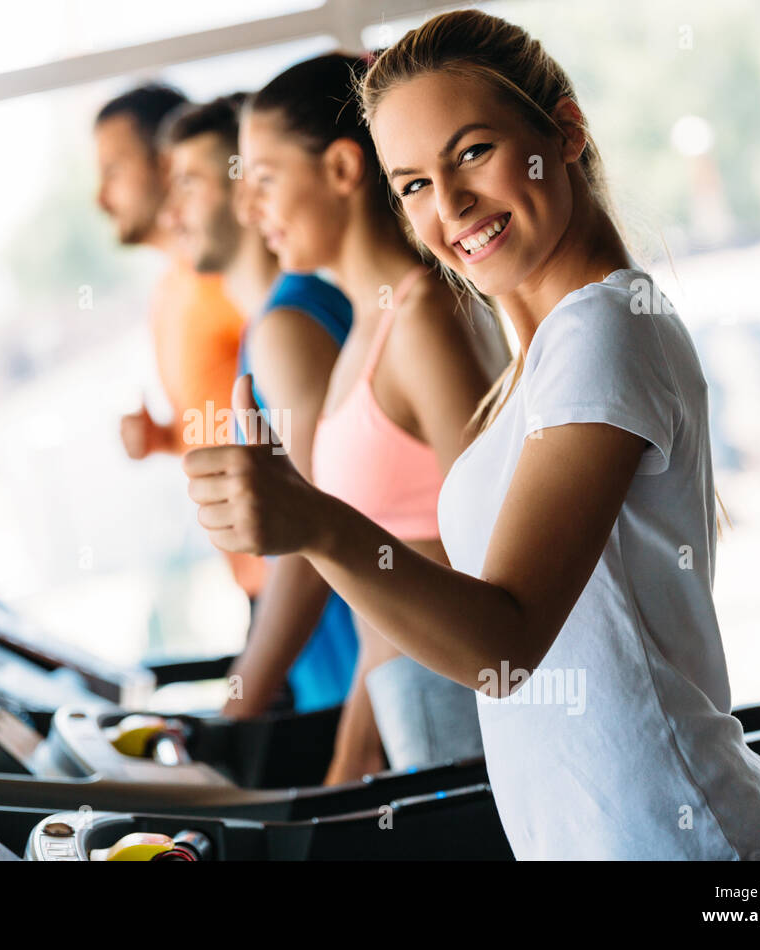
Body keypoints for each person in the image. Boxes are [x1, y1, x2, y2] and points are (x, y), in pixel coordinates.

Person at [181, 10, 760, 859]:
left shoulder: (604, 329)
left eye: (472, 153)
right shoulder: (544, 358)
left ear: (563, 130)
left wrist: (313, 523)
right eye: (411, 184)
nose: (448, 207)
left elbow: (506, 642)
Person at [230, 53, 512, 784]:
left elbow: (492, 553)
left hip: (464, 714)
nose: (249, 209)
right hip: (405, 708)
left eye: (264, 180)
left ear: (343, 170)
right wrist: (353, 751)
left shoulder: (423, 320)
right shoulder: (367, 324)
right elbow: (384, 588)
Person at [156, 93, 358, 713]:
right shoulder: (269, 325)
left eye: (191, 185)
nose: (174, 212)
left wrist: (237, 707)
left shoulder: (286, 327)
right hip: (342, 687)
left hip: (362, 694)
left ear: (246, 195)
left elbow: (312, 538)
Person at [93, 84, 265, 602]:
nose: (101, 198)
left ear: (163, 163)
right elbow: (233, 415)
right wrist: (164, 437)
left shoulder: (236, 275)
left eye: (113, 171)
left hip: (303, 579)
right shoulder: (169, 291)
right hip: (255, 579)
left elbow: (301, 410)